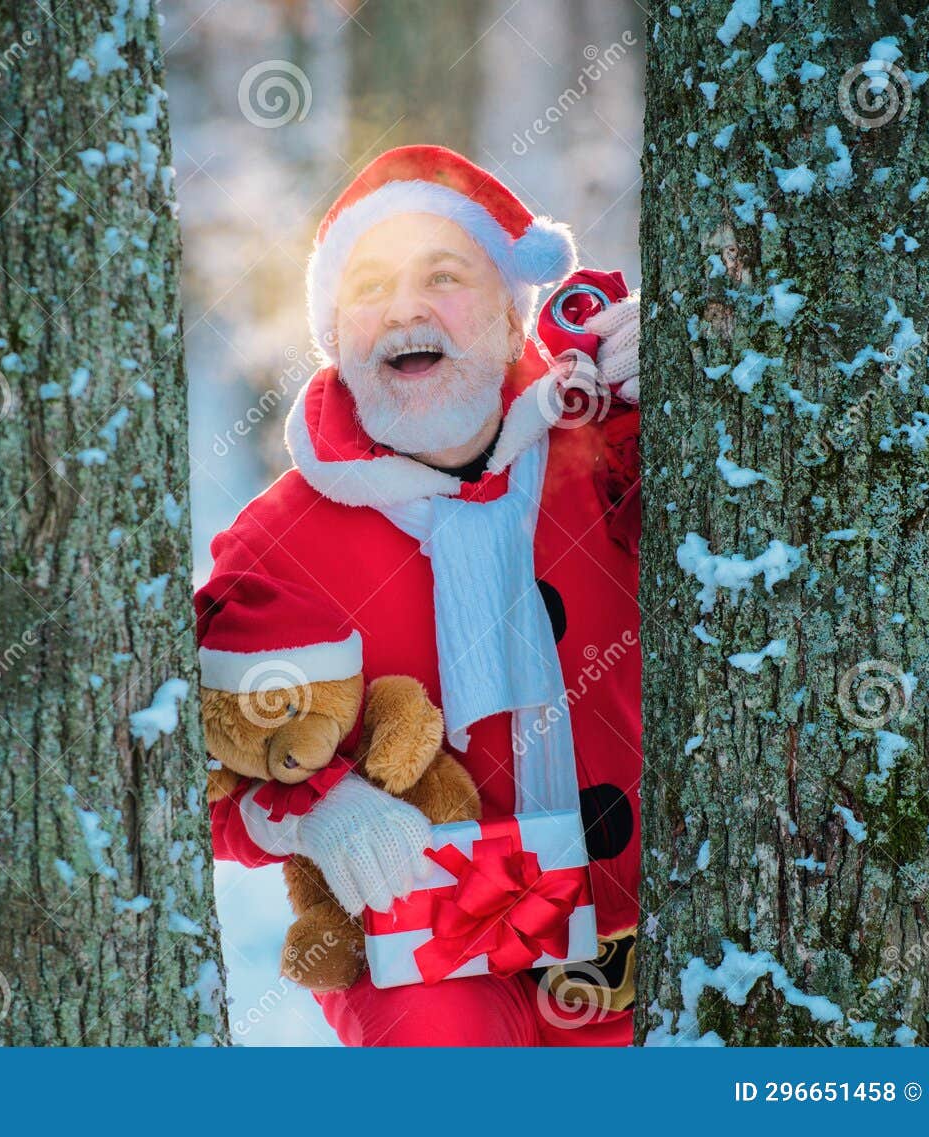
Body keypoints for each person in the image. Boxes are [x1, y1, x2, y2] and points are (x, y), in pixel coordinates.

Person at [205, 145, 642, 1046]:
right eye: (370, 286)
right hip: (437, 961)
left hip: (665, 937)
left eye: (442, 274)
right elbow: (191, 759)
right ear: (334, 331)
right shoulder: (278, 539)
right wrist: (315, 806)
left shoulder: (604, 441)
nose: (404, 306)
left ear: (512, 308)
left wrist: (693, 373)